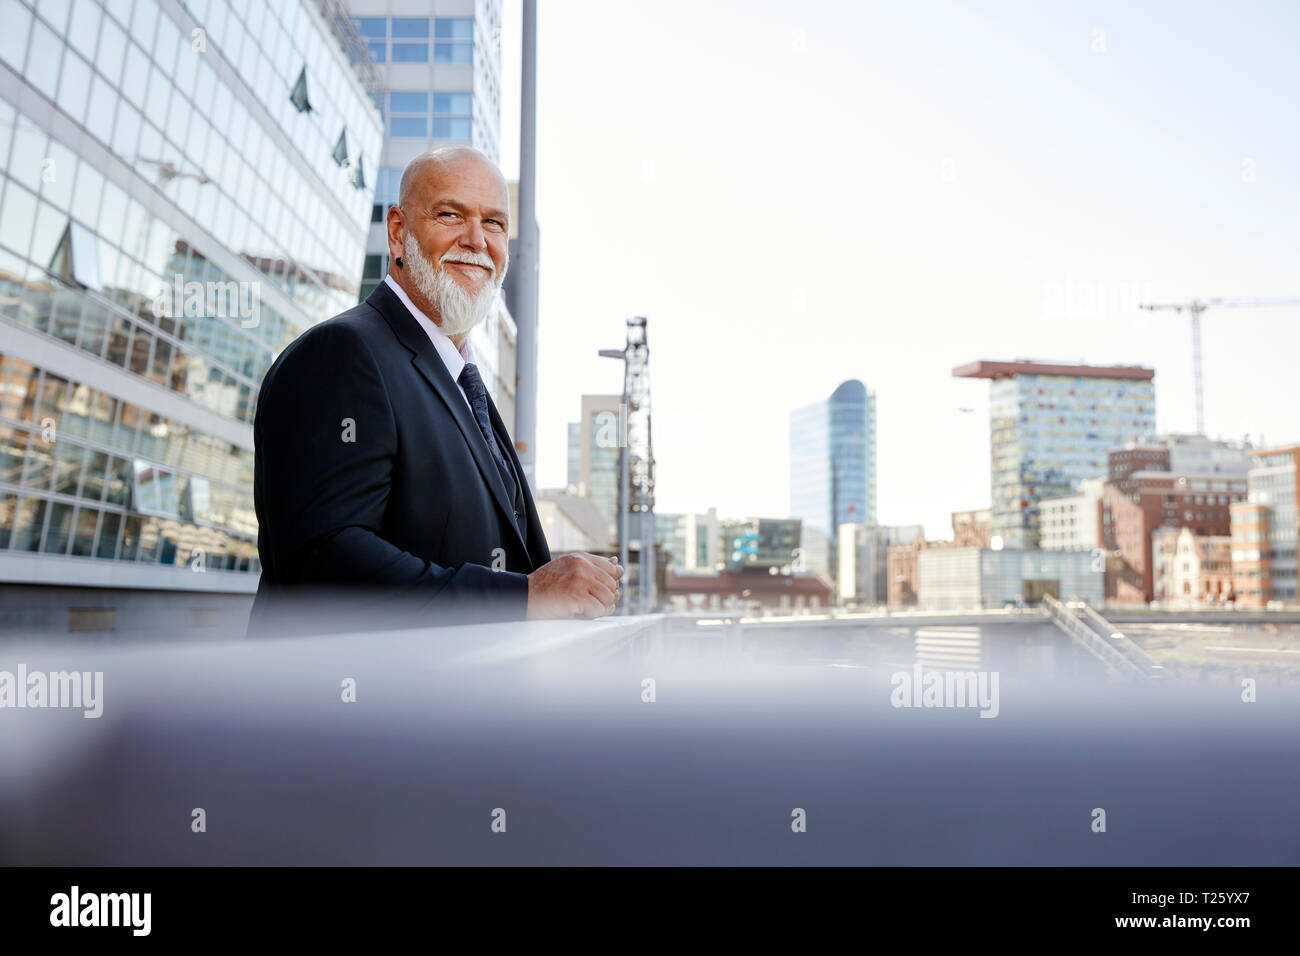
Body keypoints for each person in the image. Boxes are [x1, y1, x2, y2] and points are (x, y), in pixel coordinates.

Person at [247, 146, 622, 636]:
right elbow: (322, 561)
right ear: (399, 231)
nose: (476, 240)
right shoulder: (342, 353)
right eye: (450, 214)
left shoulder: (462, 381)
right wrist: (527, 596)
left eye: (494, 224)